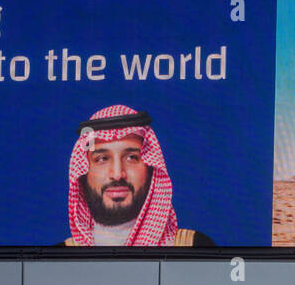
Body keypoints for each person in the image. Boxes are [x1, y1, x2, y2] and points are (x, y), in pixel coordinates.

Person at [61, 105, 214, 247]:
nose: (117, 174)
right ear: (83, 173)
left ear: (151, 168)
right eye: (102, 159)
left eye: (132, 158)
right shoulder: (60, 257)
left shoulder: (192, 247)